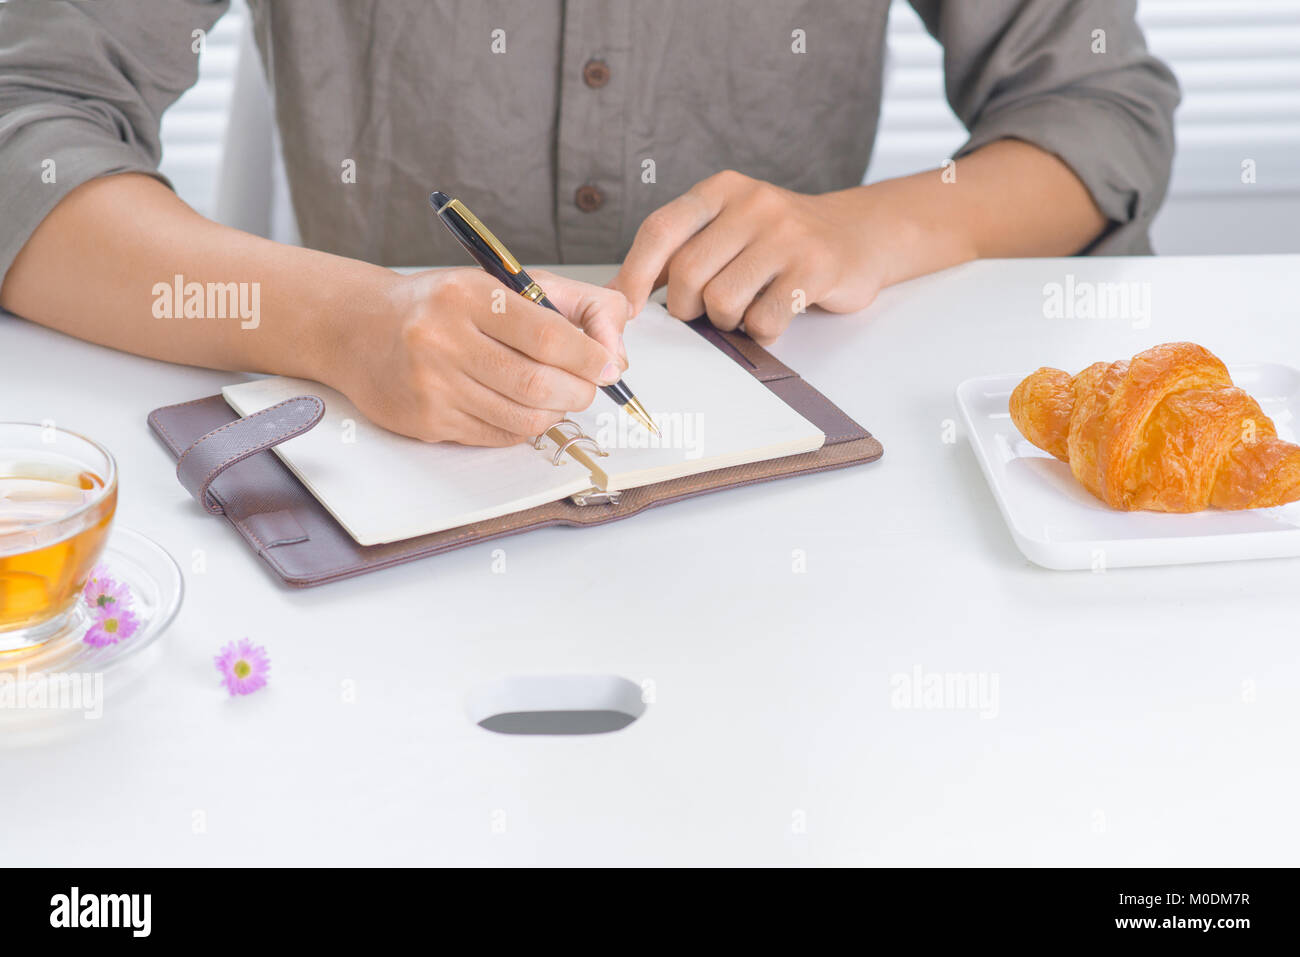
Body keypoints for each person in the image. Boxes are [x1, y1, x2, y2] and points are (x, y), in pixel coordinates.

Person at [0, 1, 1178, 446]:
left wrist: (875, 228)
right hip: (374, 458)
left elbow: (1097, 109)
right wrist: (344, 321)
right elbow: (25, 124)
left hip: (782, 485)